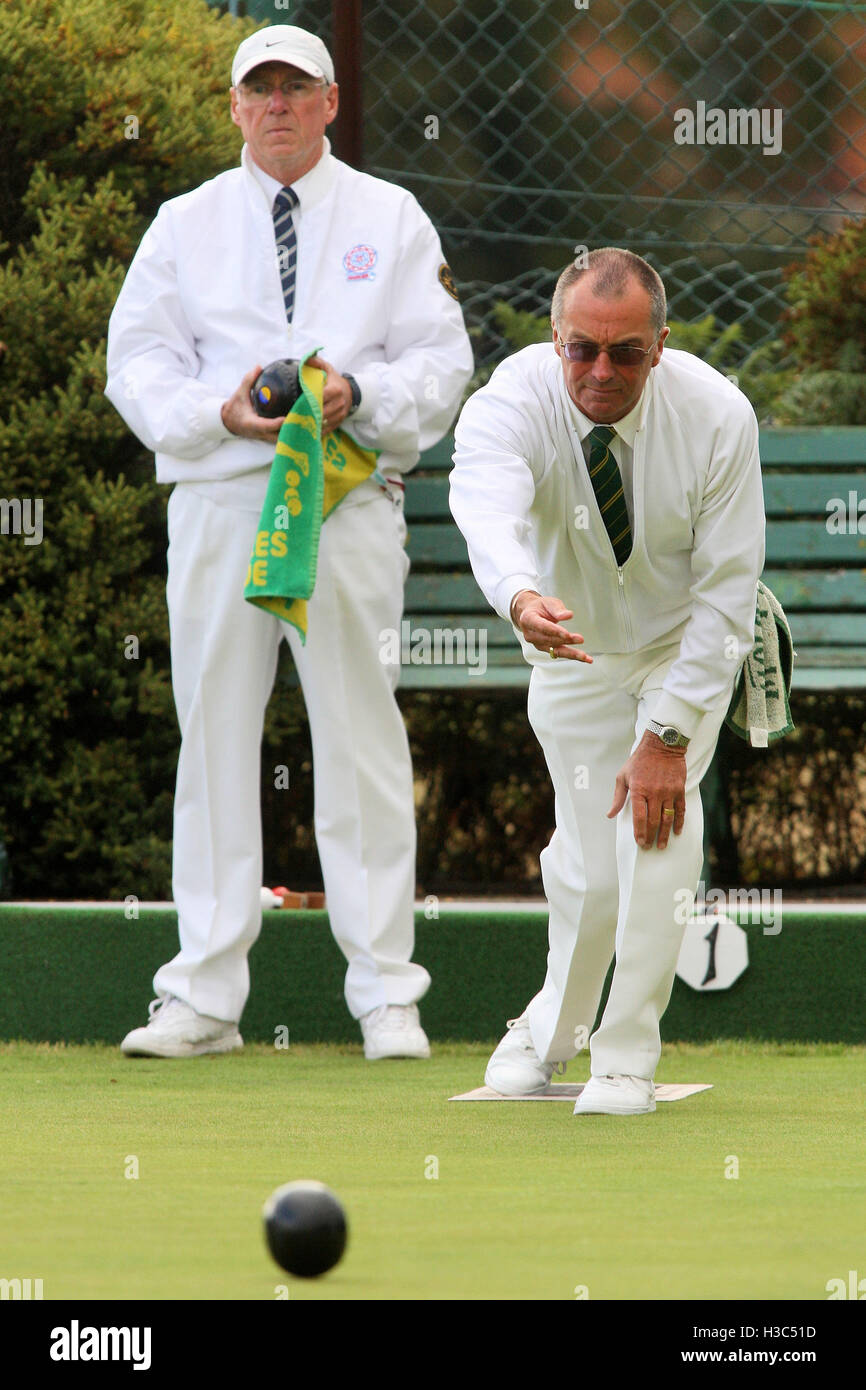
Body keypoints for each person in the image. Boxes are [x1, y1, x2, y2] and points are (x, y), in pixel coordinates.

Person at [105, 23, 473, 1061]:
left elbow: (442, 366)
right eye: (256, 89)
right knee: (212, 739)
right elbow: (134, 365)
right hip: (222, 502)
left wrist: (358, 394)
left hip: (346, 500)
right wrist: (215, 414)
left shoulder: (390, 218)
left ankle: (386, 995)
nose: (275, 105)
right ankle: (205, 998)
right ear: (232, 106)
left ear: (329, 102)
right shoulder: (184, 224)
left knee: (358, 736)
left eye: (294, 88)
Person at [450, 248, 765, 1114]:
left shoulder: (716, 416)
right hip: (570, 645)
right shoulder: (509, 402)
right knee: (586, 868)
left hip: (680, 649)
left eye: (626, 352)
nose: (601, 370)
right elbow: (486, 504)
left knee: (656, 835)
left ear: (660, 345)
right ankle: (551, 1033)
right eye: (582, 348)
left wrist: (668, 734)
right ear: (555, 338)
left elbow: (728, 588)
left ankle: (625, 1058)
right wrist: (519, 598)